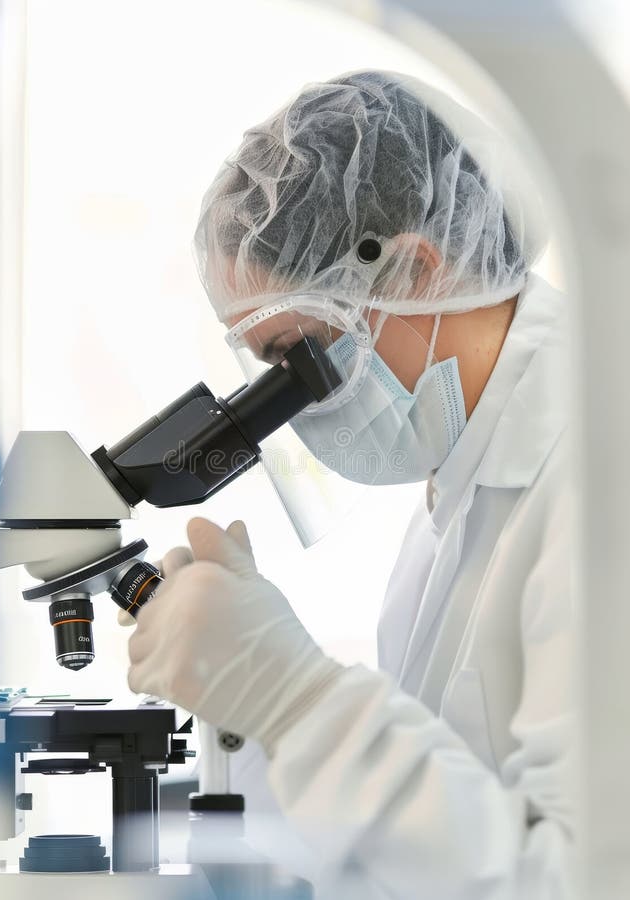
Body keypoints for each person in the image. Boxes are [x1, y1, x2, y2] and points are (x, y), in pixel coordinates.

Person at [126, 71, 573, 898]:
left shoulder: (598, 483)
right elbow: (419, 849)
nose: (291, 407)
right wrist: (251, 710)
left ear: (412, 271)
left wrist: (295, 699)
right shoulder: (460, 497)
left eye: (299, 358)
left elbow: (571, 879)